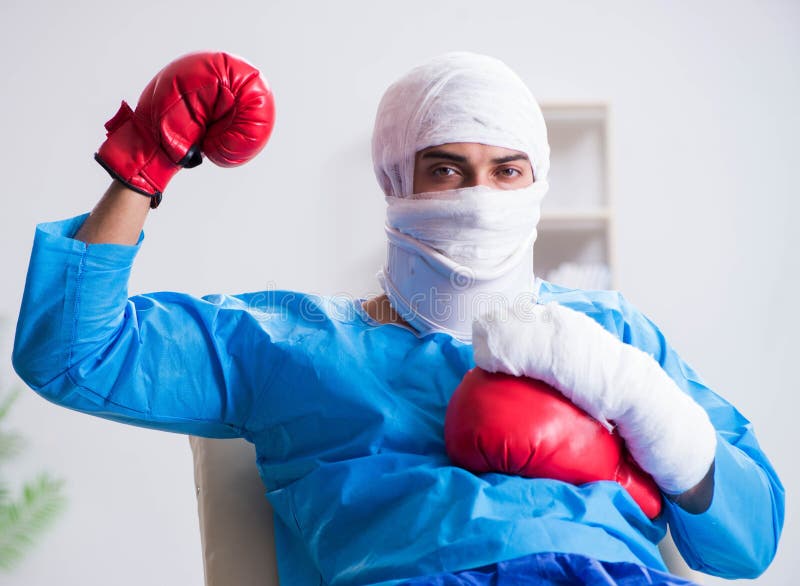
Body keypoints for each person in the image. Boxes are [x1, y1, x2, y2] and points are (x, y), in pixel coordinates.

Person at [12, 50, 784, 585]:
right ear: (394, 182)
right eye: (446, 169)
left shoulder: (611, 336)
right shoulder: (289, 345)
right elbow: (73, 354)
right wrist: (146, 160)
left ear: (535, 184)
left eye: (507, 170)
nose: (479, 195)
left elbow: (748, 544)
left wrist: (639, 400)